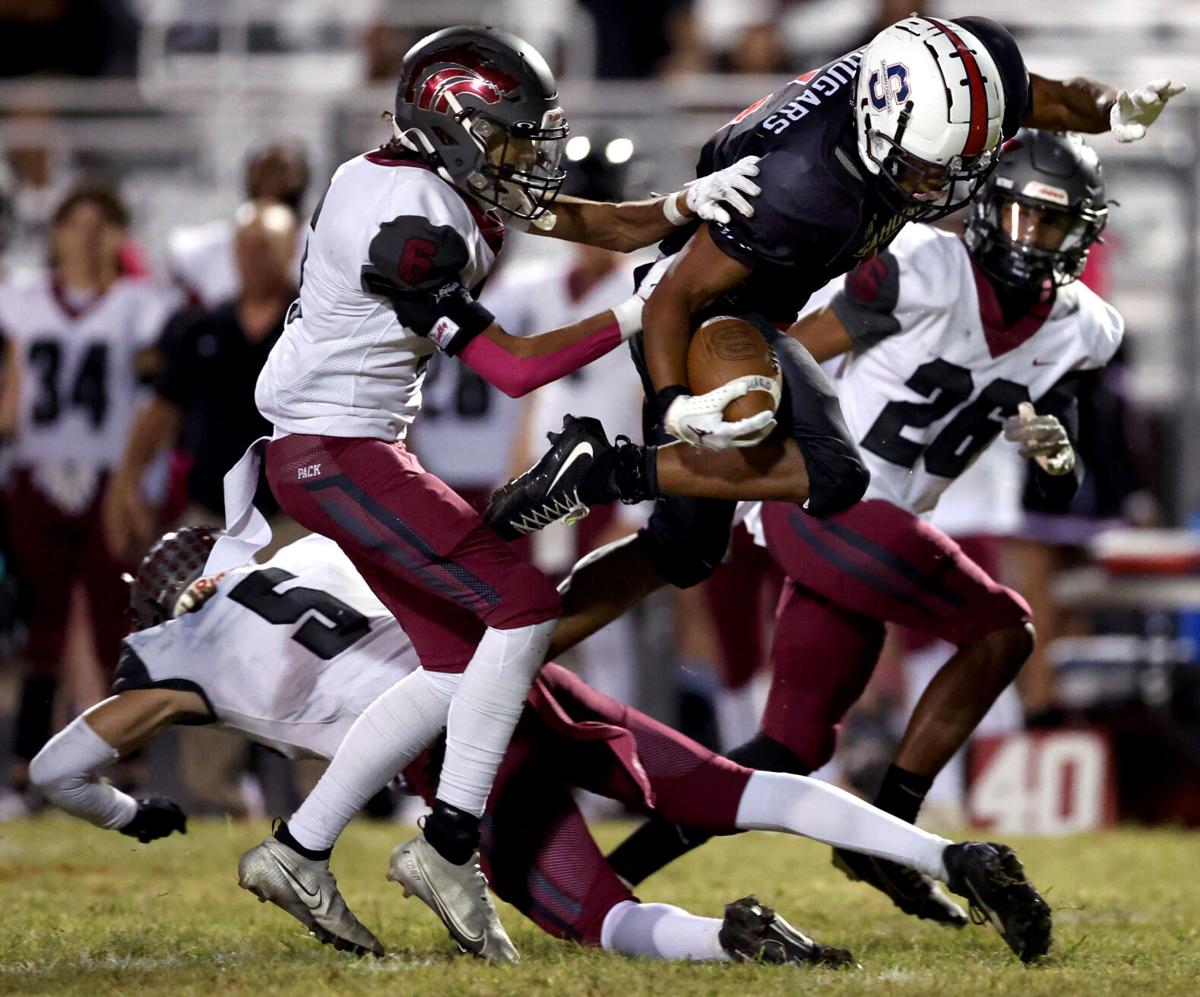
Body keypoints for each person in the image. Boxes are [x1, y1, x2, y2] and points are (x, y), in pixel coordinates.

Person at [203, 24, 766, 963]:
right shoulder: (411, 227)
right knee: (526, 597)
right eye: (509, 137)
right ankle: (449, 842)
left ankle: (299, 849)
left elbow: (578, 217)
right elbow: (510, 368)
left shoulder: (405, 173)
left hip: (346, 444)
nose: (523, 159)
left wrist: (682, 204)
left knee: (458, 664)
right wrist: (644, 309)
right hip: (336, 453)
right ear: (456, 126)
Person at [30, 527, 1052, 965]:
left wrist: (132, 812)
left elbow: (52, 770)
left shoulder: (172, 658)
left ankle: (726, 939)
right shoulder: (314, 547)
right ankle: (948, 855)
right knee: (739, 788)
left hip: (452, 757)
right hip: (513, 673)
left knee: (596, 921)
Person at [600, 130, 1124, 922]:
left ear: (1081, 233)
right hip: (836, 499)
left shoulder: (1084, 327)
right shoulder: (924, 268)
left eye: (1052, 225)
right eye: (1020, 215)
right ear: (986, 209)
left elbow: (1063, 451)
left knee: (789, 748)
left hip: (882, 523)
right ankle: (893, 834)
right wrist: (741, 449)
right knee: (1003, 628)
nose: (1031, 239)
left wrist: (1058, 452)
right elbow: (779, 356)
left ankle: (611, 869)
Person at [0, 181, 176, 801]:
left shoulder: (140, 305)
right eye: (75, 224)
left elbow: (161, 396)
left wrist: (136, 478)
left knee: (116, 622)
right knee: (41, 624)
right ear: (55, 234)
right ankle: (25, 767)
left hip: (110, 475)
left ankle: (125, 767)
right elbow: (13, 394)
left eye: (100, 224)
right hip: (37, 468)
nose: (87, 236)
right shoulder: (22, 300)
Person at [104, 201, 302, 561]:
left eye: (265, 244)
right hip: (212, 517)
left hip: (294, 522)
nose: (254, 256)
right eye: (245, 244)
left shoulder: (314, 330)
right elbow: (162, 410)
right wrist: (127, 481)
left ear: (291, 249)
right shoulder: (202, 328)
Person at [167, 142, 310, 309]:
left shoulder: (321, 242)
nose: (259, 264)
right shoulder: (216, 244)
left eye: (268, 250)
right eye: (252, 249)